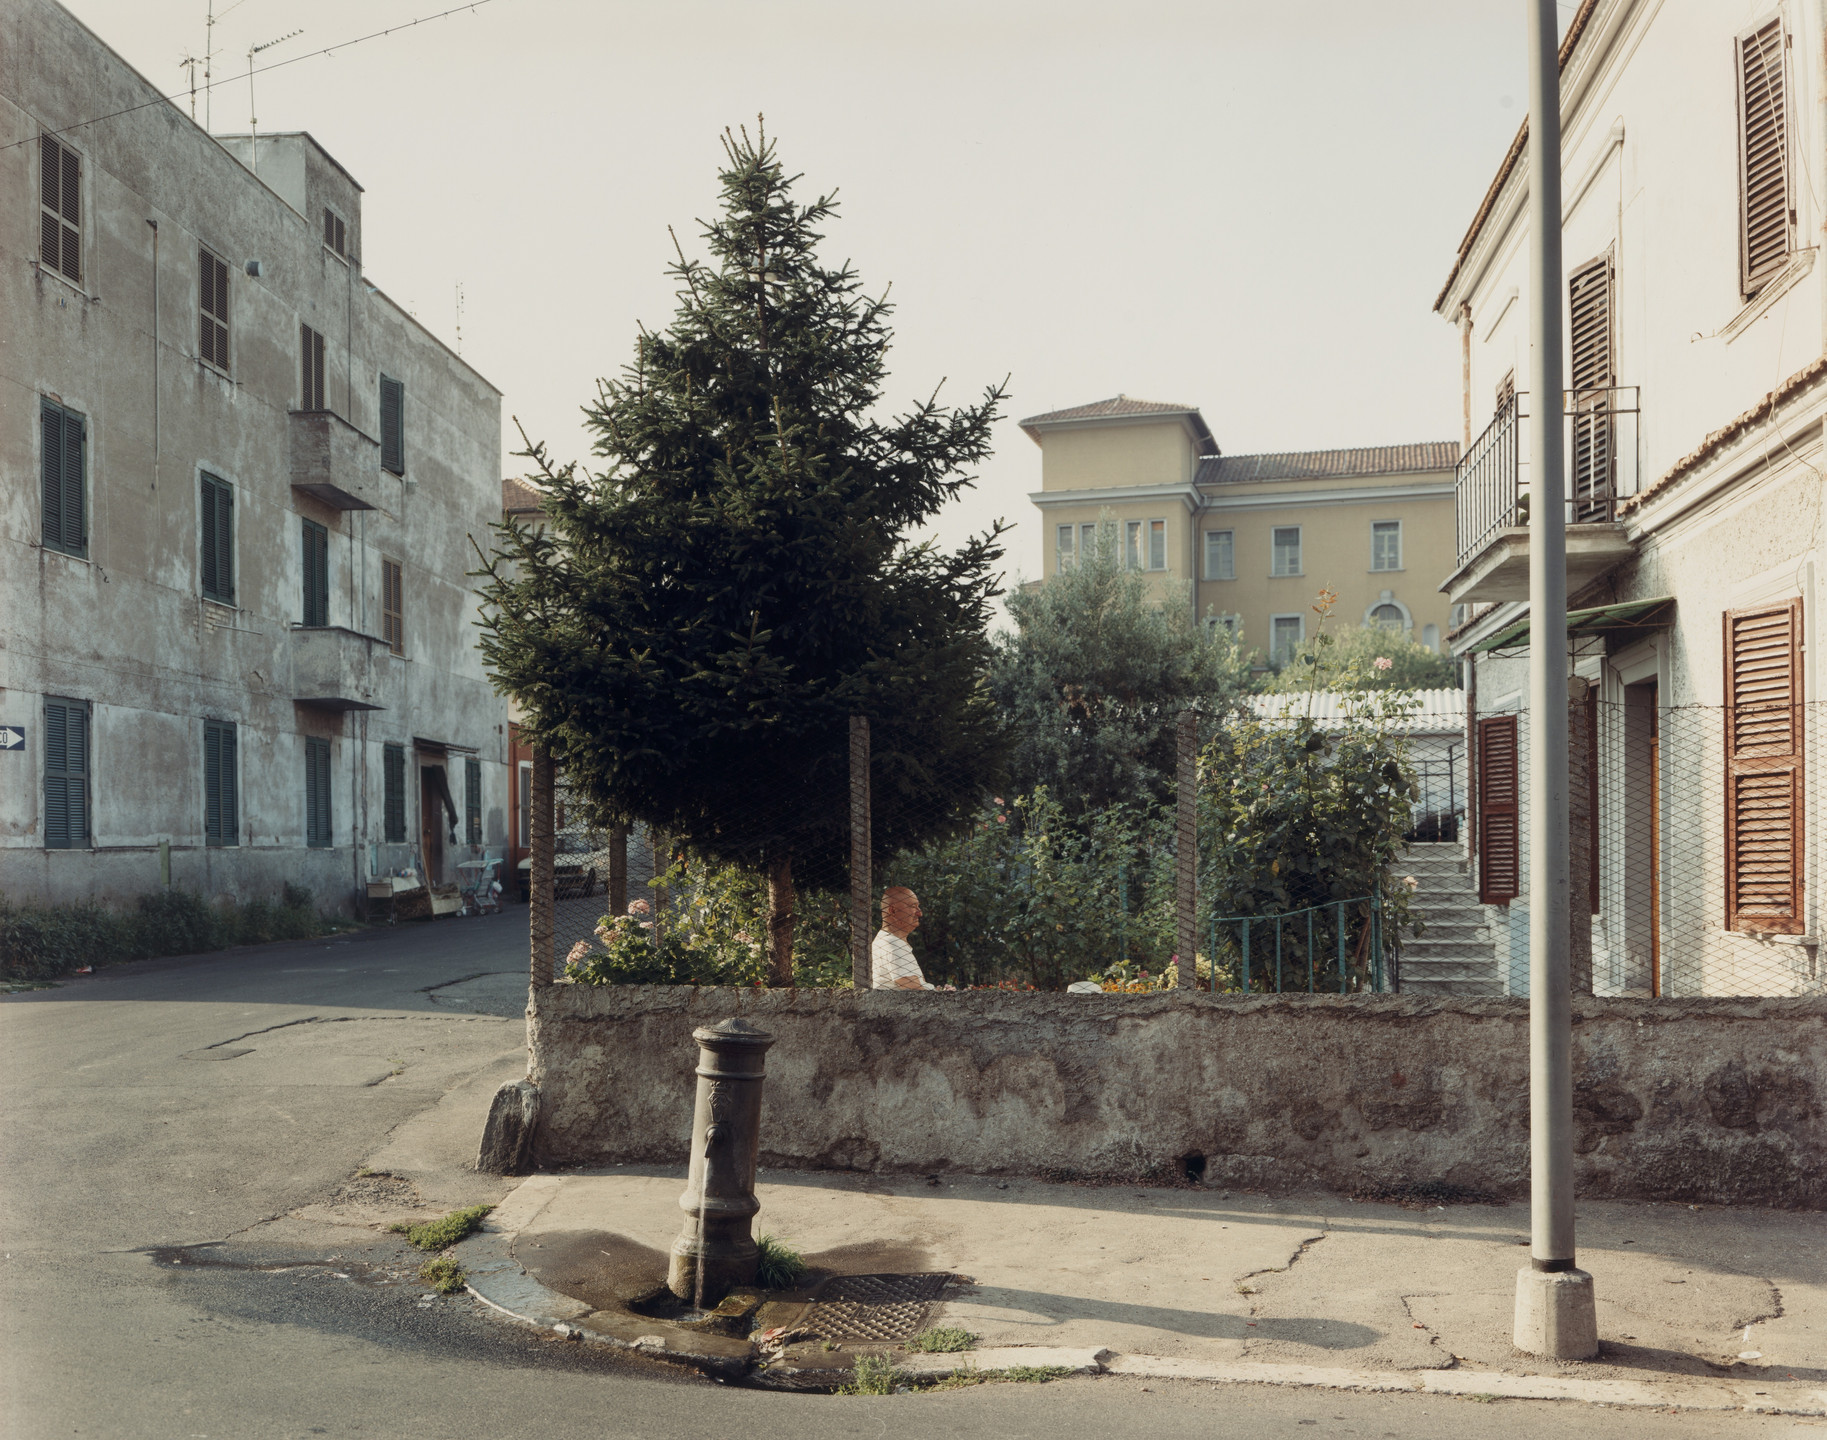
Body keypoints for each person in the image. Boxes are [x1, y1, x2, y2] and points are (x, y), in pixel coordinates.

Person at [871, 886, 935, 990]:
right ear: (892, 910)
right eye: (913, 906)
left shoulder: (887, 941)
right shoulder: (893, 945)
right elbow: (916, 992)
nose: (919, 913)